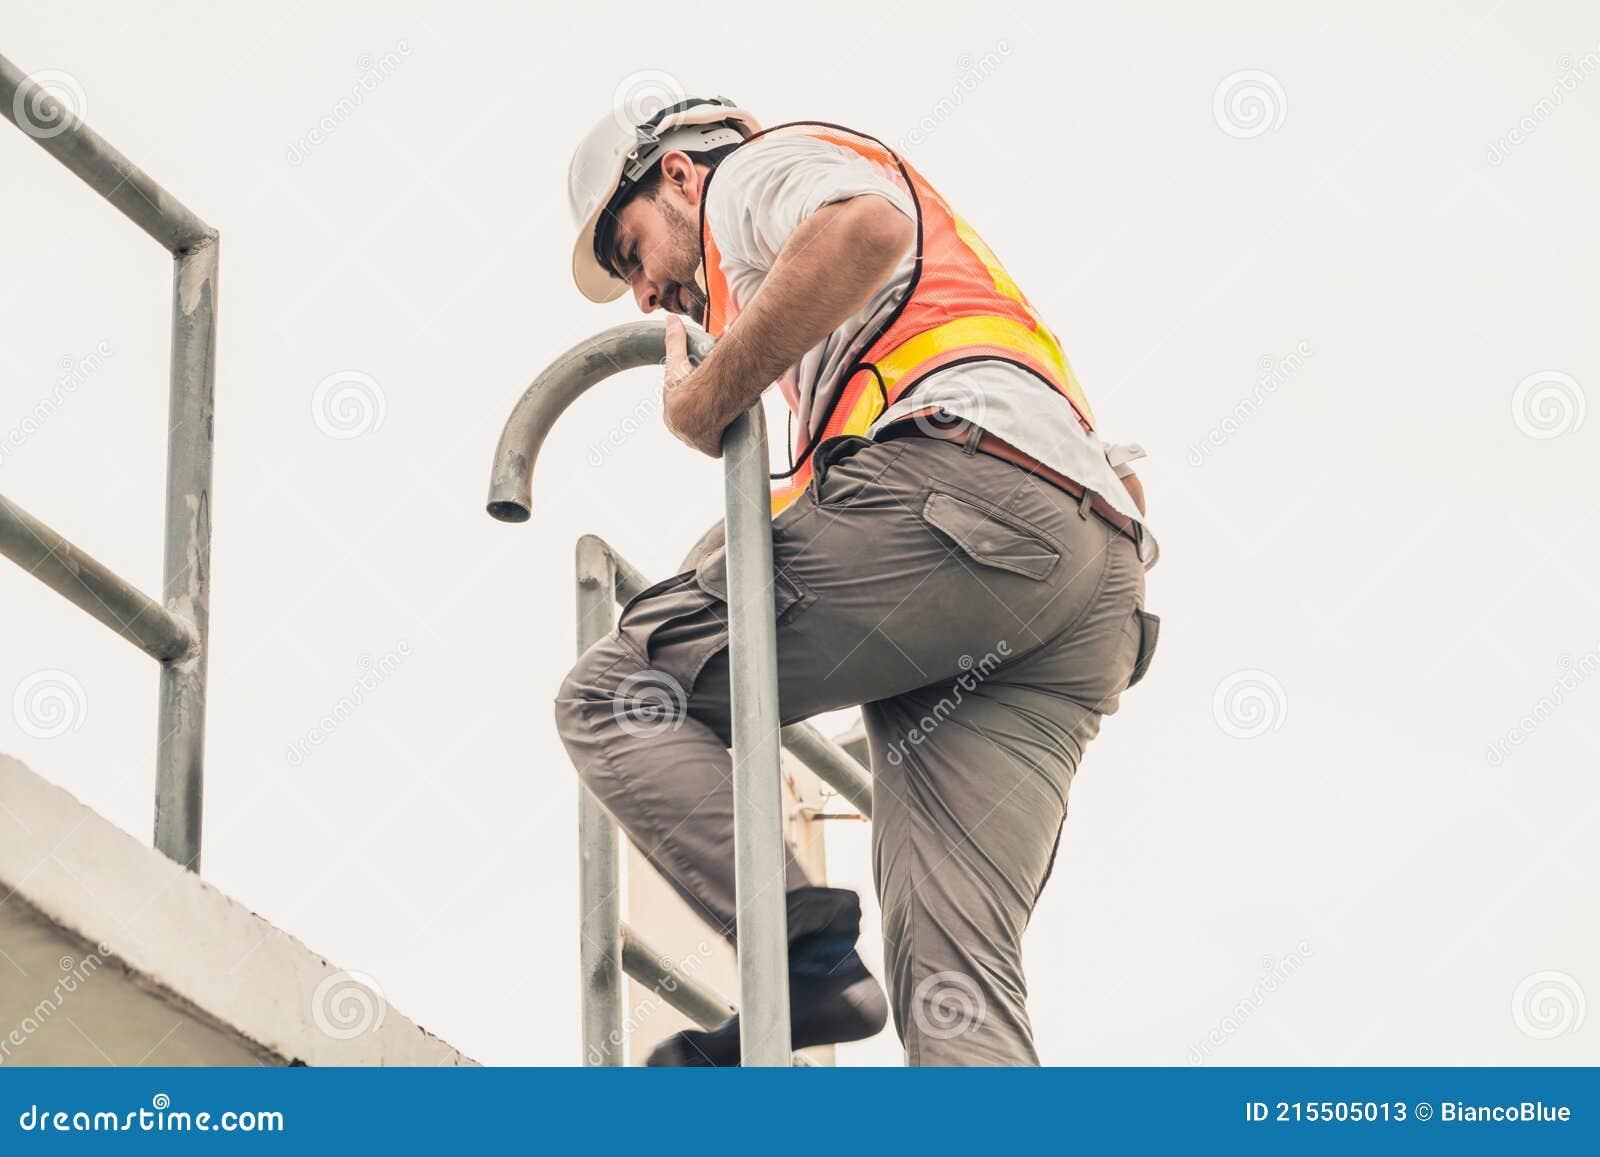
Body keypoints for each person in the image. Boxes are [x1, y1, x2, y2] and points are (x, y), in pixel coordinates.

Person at [553, 94, 1160, 1066]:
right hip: (1083, 581)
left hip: (970, 507)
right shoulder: (887, 343)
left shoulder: (748, 178)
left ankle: (805, 963)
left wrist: (703, 403)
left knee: (616, 692)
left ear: (676, 175)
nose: (645, 295)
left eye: (631, 254)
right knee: (956, 987)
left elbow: (863, 229)